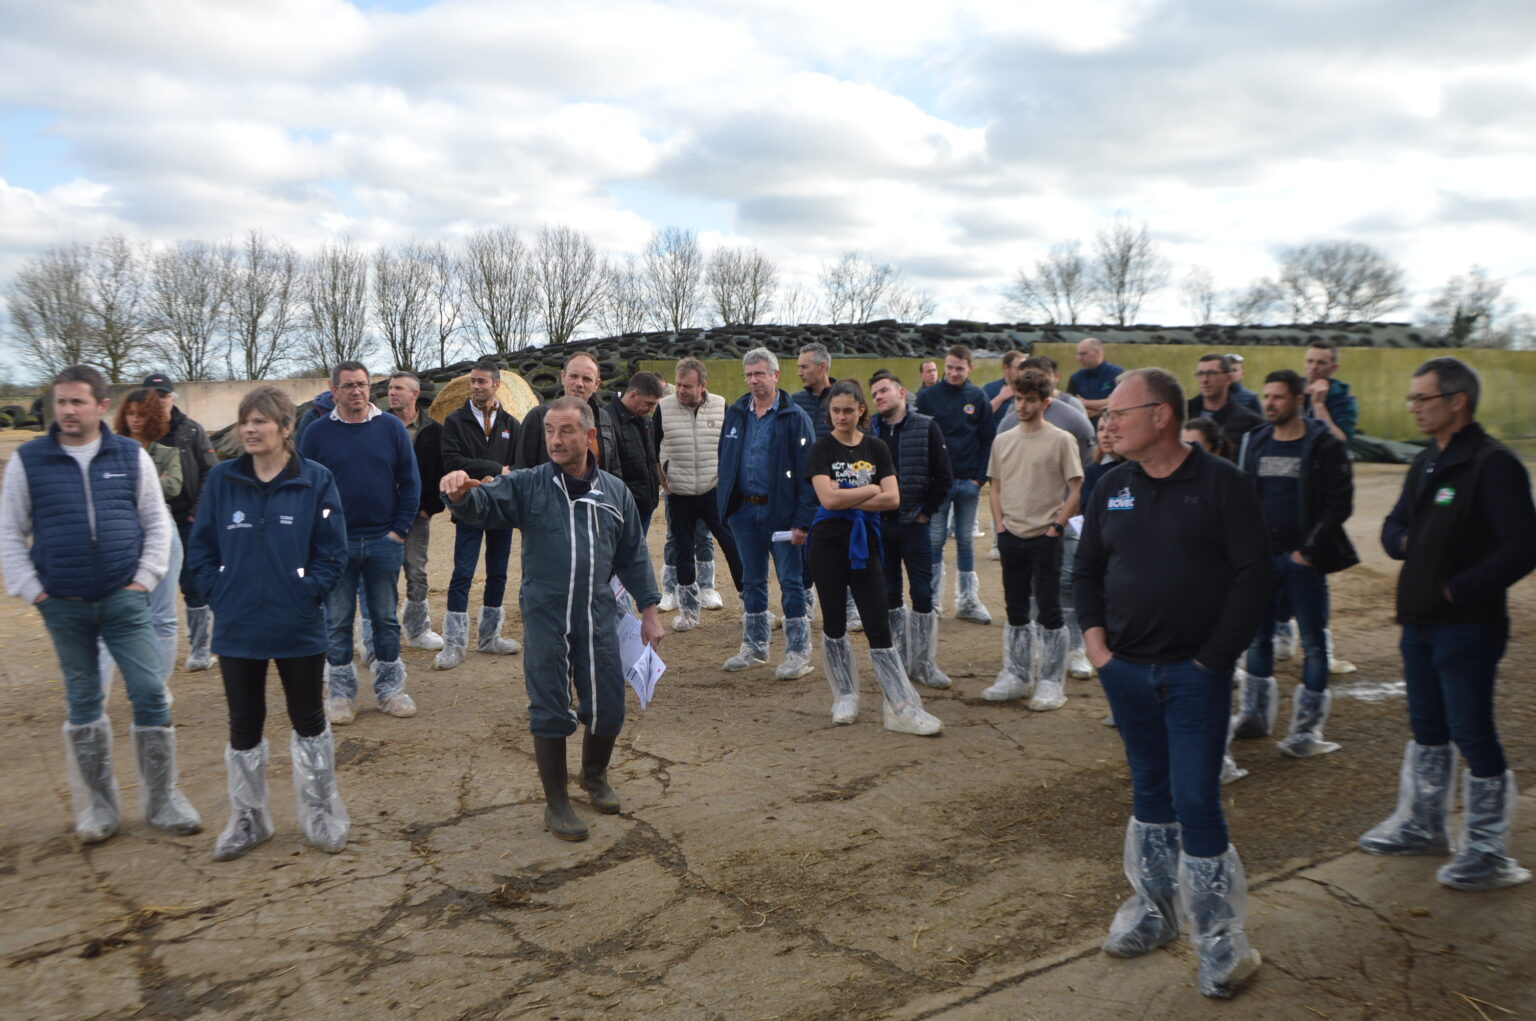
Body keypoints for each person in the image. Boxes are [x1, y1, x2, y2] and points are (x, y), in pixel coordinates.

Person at [1075, 367, 1269, 999]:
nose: (1107, 424)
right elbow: (1087, 571)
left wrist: (1213, 659)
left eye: (1118, 414)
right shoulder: (1112, 486)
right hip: (1125, 670)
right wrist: (1097, 645)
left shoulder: (1222, 484)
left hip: (1195, 675)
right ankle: (1155, 914)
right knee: (1151, 792)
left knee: (1195, 798)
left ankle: (1220, 941)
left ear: (1161, 416)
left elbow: (1252, 578)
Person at [440, 397, 663, 841]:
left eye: (566, 432)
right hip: (546, 616)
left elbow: (634, 554)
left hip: (599, 615)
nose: (556, 441)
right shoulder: (529, 485)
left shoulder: (614, 492)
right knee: (550, 706)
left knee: (607, 707)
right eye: (549, 433)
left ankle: (594, 775)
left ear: (589, 437)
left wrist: (650, 611)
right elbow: (481, 503)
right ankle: (556, 801)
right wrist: (461, 491)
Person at [1, 365, 200, 844]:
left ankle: (163, 800)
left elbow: (156, 526)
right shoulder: (30, 460)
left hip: (123, 601)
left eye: (77, 402)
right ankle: (99, 809)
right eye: (61, 402)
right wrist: (36, 593)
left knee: (150, 694)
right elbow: (10, 532)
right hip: (64, 606)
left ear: (101, 406)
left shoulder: (129, 456)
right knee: (84, 702)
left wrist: (143, 581)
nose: (67, 410)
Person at [1359, 357, 1536, 891]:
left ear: (1457, 402)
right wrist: (1413, 544)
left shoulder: (1492, 464)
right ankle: (1423, 824)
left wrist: (1457, 588)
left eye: (1422, 399)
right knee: (1428, 729)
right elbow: (1394, 526)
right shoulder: (1426, 461)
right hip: (1419, 620)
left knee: (1471, 731)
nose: (1412, 407)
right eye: (1412, 399)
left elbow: (1522, 547)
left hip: (1467, 624)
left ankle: (1486, 850)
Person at [188, 386, 350, 861]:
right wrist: (219, 590)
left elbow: (332, 551)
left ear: (286, 428)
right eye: (245, 421)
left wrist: (307, 592)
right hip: (238, 626)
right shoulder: (222, 481)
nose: (250, 430)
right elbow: (201, 548)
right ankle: (248, 818)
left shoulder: (315, 480)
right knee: (244, 722)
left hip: (298, 624)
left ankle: (320, 812)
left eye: (260, 421)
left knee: (308, 719)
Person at [1231, 369, 1358, 757]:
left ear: (1298, 401)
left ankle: (1306, 731)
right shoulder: (1255, 441)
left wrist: (1308, 553)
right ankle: (1254, 717)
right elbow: (1243, 498)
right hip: (1262, 560)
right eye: (1267, 396)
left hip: (1302, 563)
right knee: (1257, 638)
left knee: (1314, 644)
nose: (1269, 403)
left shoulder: (1323, 444)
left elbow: (1340, 503)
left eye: (1278, 397)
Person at [808, 381, 943, 735]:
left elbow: (893, 499)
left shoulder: (877, 447)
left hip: (866, 543)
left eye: (848, 410)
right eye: (835, 410)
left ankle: (899, 706)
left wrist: (851, 492)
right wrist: (871, 489)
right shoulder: (821, 448)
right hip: (827, 545)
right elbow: (828, 501)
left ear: (861, 410)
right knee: (834, 621)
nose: (841, 416)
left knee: (877, 623)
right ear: (829, 413)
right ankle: (845, 695)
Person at [298, 361, 421, 724]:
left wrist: (399, 530)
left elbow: (410, 483)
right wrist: (321, 537)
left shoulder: (390, 429)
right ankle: (340, 695)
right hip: (337, 545)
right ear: (333, 390)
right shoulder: (317, 433)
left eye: (363, 385)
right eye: (349, 385)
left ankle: (389, 690)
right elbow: (307, 490)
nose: (357, 391)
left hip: (384, 540)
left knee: (384, 618)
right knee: (336, 621)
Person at [984, 369, 1084, 711]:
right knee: (1015, 607)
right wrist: (999, 525)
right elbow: (995, 486)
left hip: (1046, 535)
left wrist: (1057, 525)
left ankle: (1051, 682)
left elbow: (1076, 488)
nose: (1022, 406)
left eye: (1030, 400)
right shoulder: (1003, 440)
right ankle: (1016, 674)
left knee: (1049, 607)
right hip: (1011, 534)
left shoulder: (1061, 439)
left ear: (1046, 402)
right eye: (1018, 399)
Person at [716, 348, 819, 678]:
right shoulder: (736, 413)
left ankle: (797, 651)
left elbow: (808, 472)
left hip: (782, 516)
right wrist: (728, 507)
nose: (754, 380)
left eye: (760, 373)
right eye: (749, 375)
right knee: (752, 580)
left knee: (791, 582)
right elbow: (726, 458)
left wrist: (803, 520)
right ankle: (755, 647)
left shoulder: (793, 417)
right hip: (745, 513)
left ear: (776, 375)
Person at [96, 389, 184, 700]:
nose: (135, 419)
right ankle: (98, 695)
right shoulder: (110, 451)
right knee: (109, 614)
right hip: (121, 535)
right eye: (130, 413)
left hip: (163, 532)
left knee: (162, 615)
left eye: (142, 413)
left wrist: (131, 480)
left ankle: (157, 691)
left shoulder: (168, 452)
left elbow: (173, 486)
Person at [868, 370, 954, 689]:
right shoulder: (869, 432)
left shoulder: (926, 426)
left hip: (915, 524)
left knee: (921, 592)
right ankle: (899, 659)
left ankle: (925, 662)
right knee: (889, 592)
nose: (878, 397)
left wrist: (925, 513)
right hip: (881, 524)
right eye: (874, 393)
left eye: (884, 390)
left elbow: (943, 476)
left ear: (902, 392)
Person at [434, 361, 521, 670]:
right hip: (469, 507)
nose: (476, 386)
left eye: (482, 381)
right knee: (462, 574)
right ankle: (454, 644)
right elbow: (451, 460)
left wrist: (500, 478)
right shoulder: (454, 422)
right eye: (473, 381)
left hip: (500, 510)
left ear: (496, 385)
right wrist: (495, 470)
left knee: (498, 573)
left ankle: (489, 638)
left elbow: (519, 466)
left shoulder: (511, 423)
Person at [654, 358, 742, 631]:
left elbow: (732, 447)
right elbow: (653, 447)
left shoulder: (720, 405)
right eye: (678, 384)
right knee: (682, 551)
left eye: (688, 386)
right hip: (679, 493)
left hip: (713, 492)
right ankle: (689, 612)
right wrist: (664, 482)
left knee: (733, 547)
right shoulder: (663, 408)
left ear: (703, 385)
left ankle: (751, 605)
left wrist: (726, 482)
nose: (681, 390)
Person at [142, 372, 220, 672]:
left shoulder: (191, 430)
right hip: (148, 522)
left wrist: (197, 512)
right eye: (152, 396)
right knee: (147, 587)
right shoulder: (138, 432)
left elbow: (209, 471)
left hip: (187, 519)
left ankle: (200, 650)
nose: (158, 401)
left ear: (172, 398)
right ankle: (150, 648)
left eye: (163, 396)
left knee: (194, 585)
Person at [916, 344, 994, 623]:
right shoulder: (928, 396)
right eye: (949, 367)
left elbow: (987, 439)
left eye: (959, 368)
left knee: (965, 541)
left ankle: (968, 601)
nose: (953, 373)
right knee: (935, 541)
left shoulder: (978, 397)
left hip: (968, 482)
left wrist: (979, 477)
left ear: (970, 368)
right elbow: (920, 437)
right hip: (938, 484)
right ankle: (933, 601)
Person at [791, 343, 858, 627]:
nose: (799, 372)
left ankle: (851, 607)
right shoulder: (794, 401)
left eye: (804, 367)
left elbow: (860, 436)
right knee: (804, 549)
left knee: (846, 548)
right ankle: (804, 608)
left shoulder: (845, 396)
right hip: (805, 490)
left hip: (841, 488)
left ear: (822, 367)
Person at [388, 372, 446, 653]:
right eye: (390, 388)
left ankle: (417, 631)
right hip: (382, 516)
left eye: (398, 388)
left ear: (414, 393)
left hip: (416, 514)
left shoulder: (433, 430)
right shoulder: (379, 426)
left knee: (416, 570)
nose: (392, 392)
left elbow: (441, 472)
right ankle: (380, 632)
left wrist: (429, 508)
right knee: (381, 572)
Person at [515, 352, 618, 470]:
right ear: (563, 377)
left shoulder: (604, 418)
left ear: (596, 384)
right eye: (573, 376)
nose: (579, 383)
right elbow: (523, 470)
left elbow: (614, 467)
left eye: (587, 379)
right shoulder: (538, 417)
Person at [604, 371, 665, 533]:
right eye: (649, 404)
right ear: (633, 395)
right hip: (622, 507)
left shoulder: (646, 421)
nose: (652, 409)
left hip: (647, 504)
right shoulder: (606, 420)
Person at [1188, 353, 1263, 453]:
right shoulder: (1181, 413)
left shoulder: (1249, 421)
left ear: (1229, 378)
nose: (1205, 380)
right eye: (1201, 374)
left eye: (1212, 373)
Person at [1303, 340, 1359, 445]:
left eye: (1321, 363)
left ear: (1334, 368)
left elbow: (1340, 443)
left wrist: (1319, 405)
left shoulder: (1344, 401)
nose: (1314, 367)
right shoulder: (1291, 391)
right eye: (1310, 361)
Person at [1066, 337, 1122, 421]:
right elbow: (1070, 406)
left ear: (1097, 352)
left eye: (1083, 354)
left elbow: (1120, 402)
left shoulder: (1117, 374)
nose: (1079, 358)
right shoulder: (1076, 378)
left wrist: (1085, 403)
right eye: (1078, 354)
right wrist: (1103, 407)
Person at [983, 350, 1027, 428]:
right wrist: (1001, 397)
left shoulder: (1029, 389)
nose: (1023, 371)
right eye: (1019, 367)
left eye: (1025, 367)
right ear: (1006, 368)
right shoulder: (990, 388)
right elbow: (979, 415)